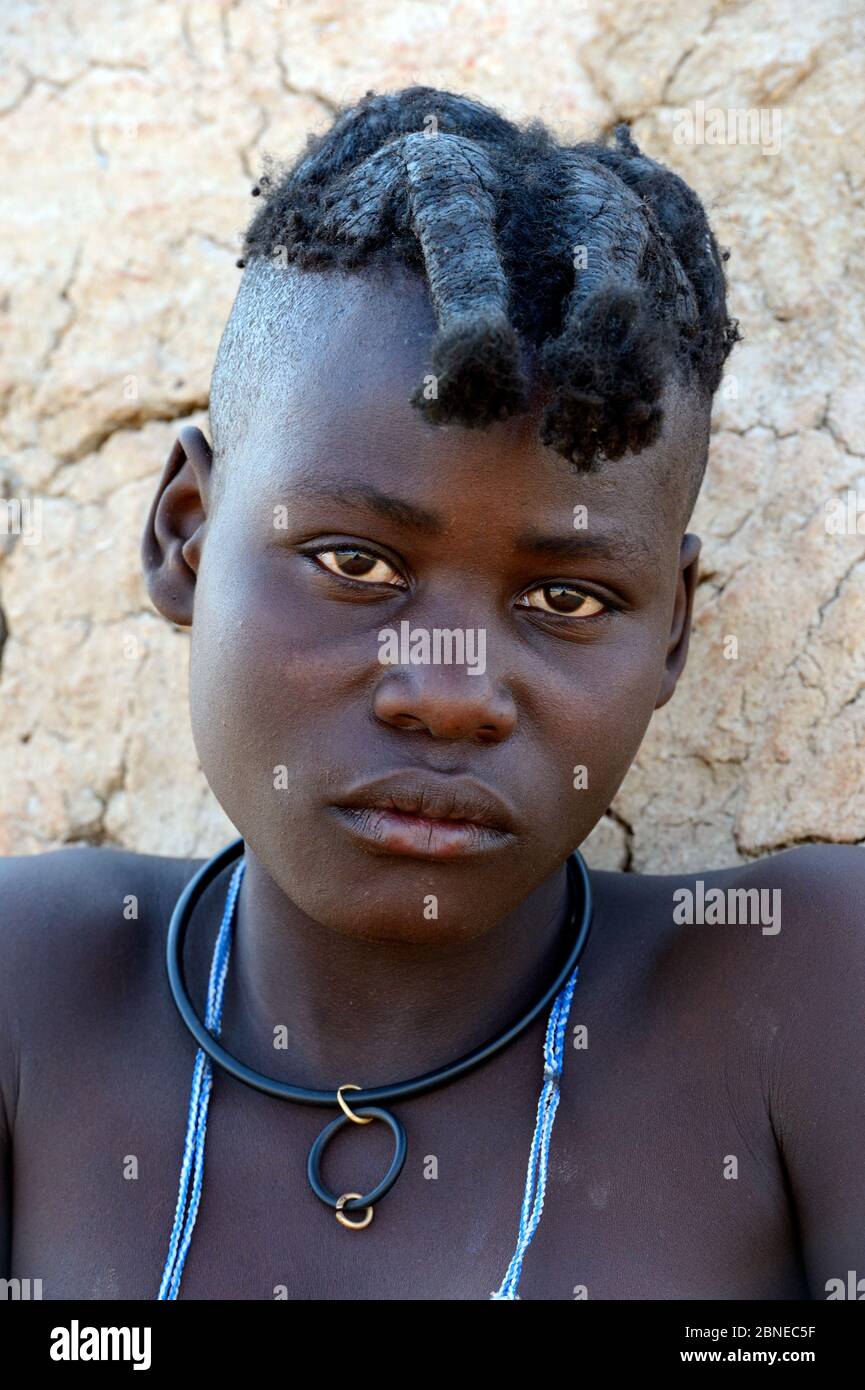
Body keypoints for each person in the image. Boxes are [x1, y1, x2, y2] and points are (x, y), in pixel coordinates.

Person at [1, 86, 863, 1302]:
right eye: (356, 563)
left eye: (567, 599)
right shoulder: (30, 992)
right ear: (185, 536)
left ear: (672, 629)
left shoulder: (804, 990)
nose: (451, 698)